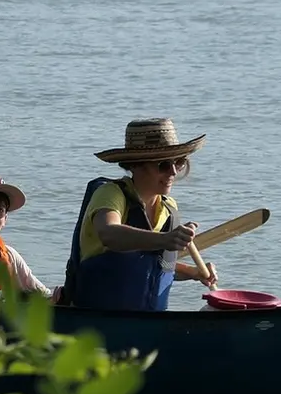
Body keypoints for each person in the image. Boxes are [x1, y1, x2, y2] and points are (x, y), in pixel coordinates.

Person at [57, 118, 218, 312]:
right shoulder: (110, 194)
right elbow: (109, 233)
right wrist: (165, 239)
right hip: (97, 318)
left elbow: (154, 266)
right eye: (163, 165)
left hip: (147, 321)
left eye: (179, 162)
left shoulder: (168, 207)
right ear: (135, 165)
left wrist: (193, 272)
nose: (173, 172)